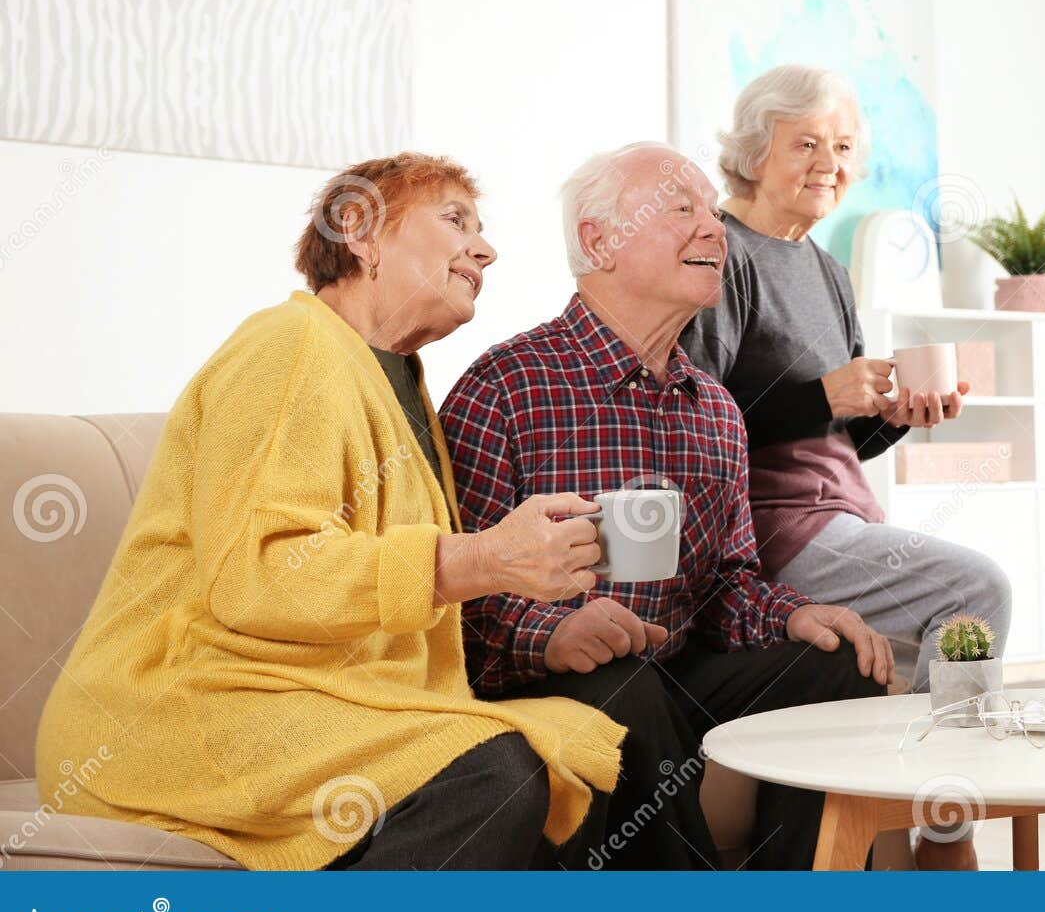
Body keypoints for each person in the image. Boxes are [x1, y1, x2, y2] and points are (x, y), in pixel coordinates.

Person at [34, 153, 625, 871]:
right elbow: (262, 575)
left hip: (309, 703)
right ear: (360, 226)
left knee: (588, 754)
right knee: (490, 776)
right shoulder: (290, 345)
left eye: (482, 229)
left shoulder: (397, 382)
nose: (486, 248)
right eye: (455, 220)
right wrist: (484, 557)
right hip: (180, 705)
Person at [439, 142, 892, 871]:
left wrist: (791, 614)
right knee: (622, 686)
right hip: (554, 682)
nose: (715, 230)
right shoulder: (505, 386)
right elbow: (452, 600)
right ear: (599, 241)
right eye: (682, 209)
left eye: (713, 212)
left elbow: (725, 586)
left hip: (675, 668)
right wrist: (550, 634)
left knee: (837, 662)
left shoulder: (714, 408)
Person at [677, 65, 1012, 690]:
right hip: (773, 528)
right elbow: (695, 430)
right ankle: (951, 769)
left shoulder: (829, 270)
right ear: (754, 153)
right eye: (805, 144)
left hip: (844, 516)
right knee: (976, 589)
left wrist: (891, 419)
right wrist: (822, 395)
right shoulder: (723, 252)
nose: (829, 162)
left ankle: (902, 778)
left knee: (903, 674)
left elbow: (834, 437)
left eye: (843, 146)